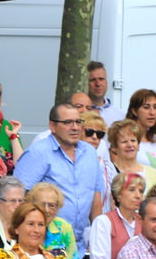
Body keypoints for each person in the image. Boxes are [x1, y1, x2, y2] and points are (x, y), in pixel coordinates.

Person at [13, 101, 104, 250]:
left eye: (78, 122)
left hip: (80, 245)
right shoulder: (38, 153)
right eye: (68, 122)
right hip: (44, 243)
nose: (75, 127)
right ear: (53, 126)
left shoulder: (90, 153)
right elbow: (19, 198)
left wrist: (97, 241)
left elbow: (96, 198)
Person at [86, 172, 145, 259]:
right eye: (132, 190)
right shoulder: (103, 221)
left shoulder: (144, 222)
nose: (138, 195)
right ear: (118, 195)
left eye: (141, 191)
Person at [25, 181, 78, 259]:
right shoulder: (23, 225)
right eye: (42, 204)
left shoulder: (64, 226)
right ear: (32, 204)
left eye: (51, 205)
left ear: (58, 207)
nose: (46, 210)